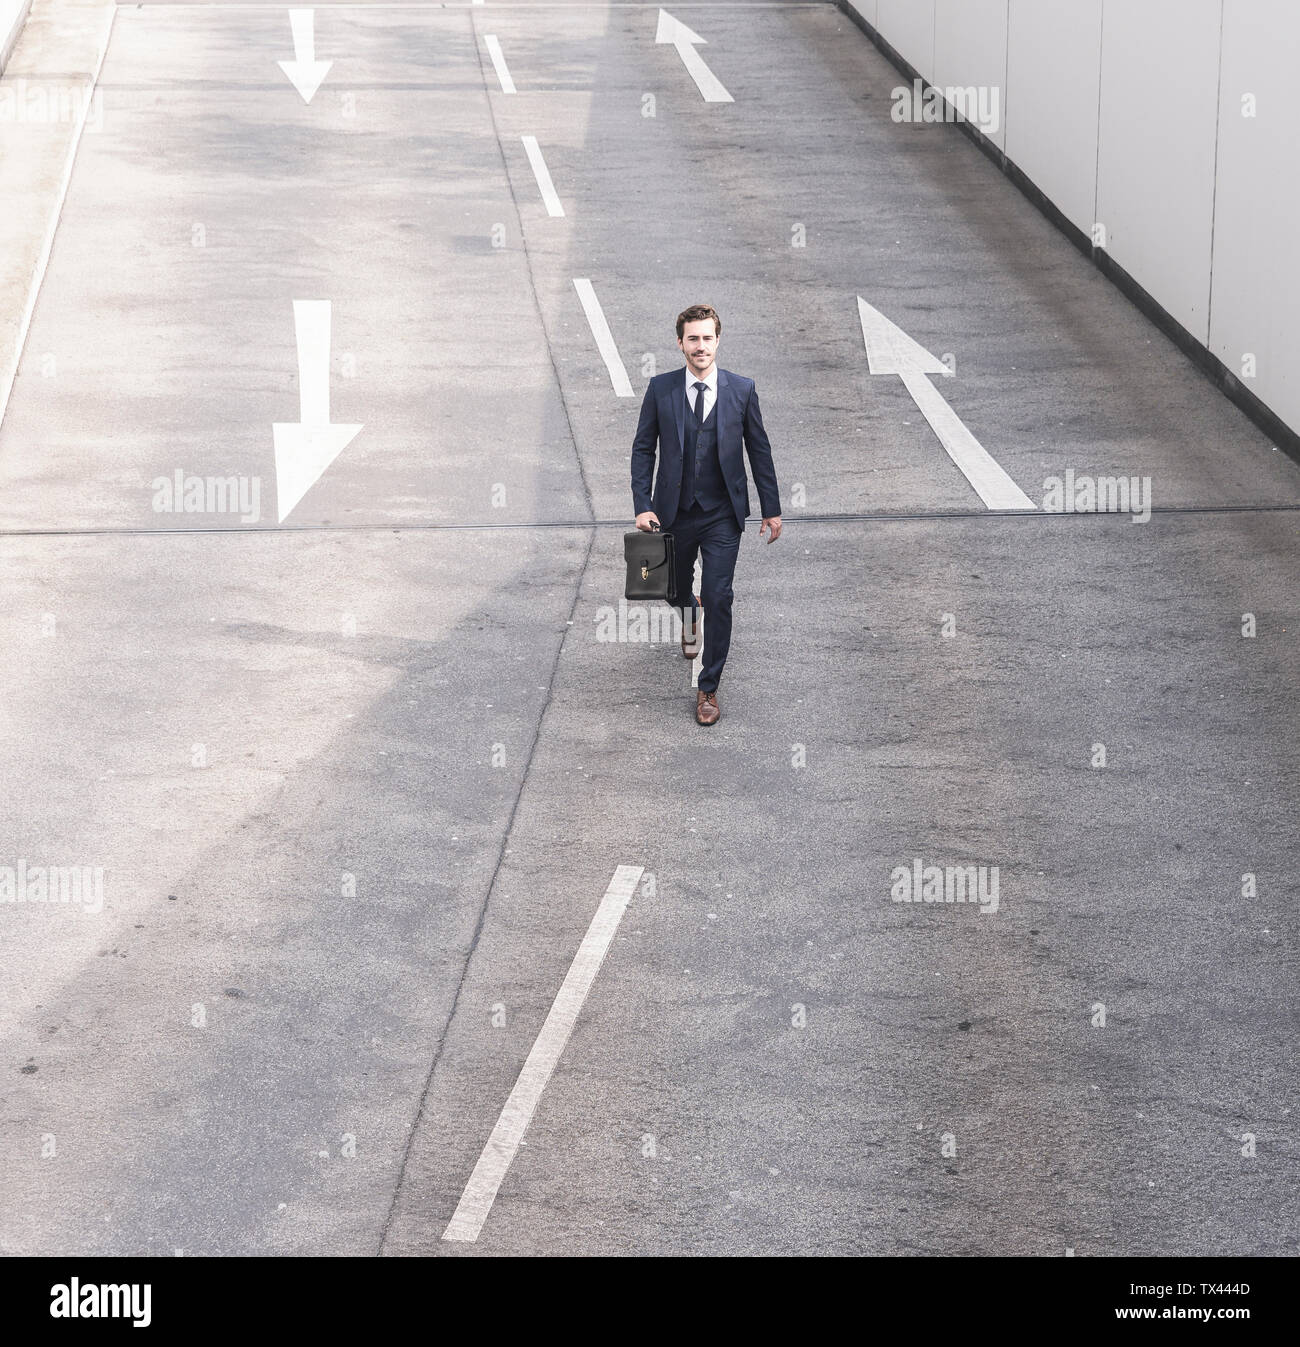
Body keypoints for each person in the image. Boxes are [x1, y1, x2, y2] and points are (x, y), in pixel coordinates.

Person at [631, 304, 782, 725]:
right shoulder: (661, 389)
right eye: (693, 339)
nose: (701, 346)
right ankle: (687, 609)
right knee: (670, 589)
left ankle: (708, 688)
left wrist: (772, 509)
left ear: (718, 341)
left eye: (707, 338)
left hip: (722, 515)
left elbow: (760, 450)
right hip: (672, 514)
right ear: (680, 343)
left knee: (720, 596)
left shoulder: (741, 390)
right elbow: (644, 448)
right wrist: (642, 505)